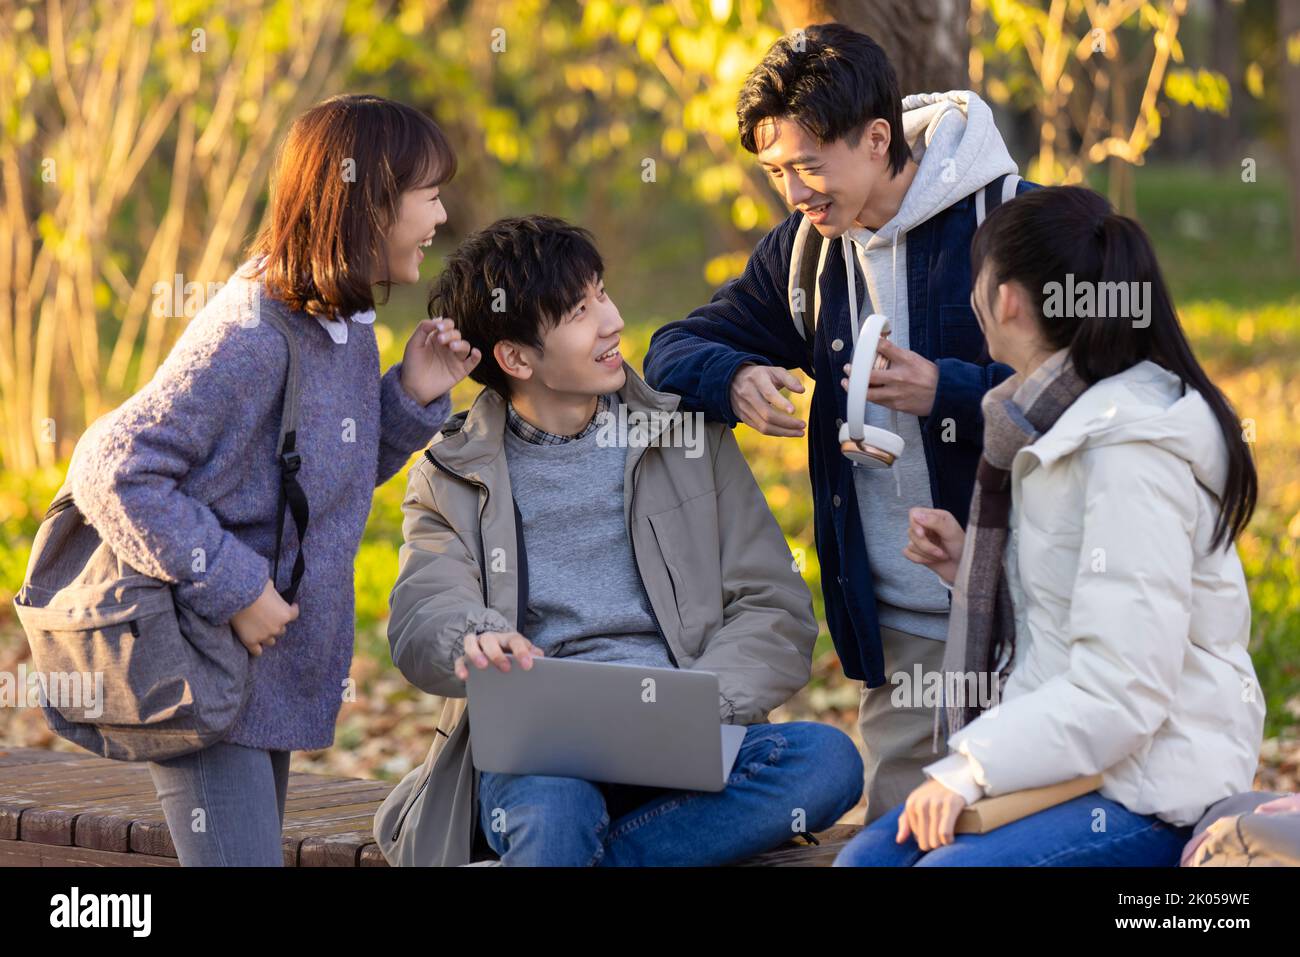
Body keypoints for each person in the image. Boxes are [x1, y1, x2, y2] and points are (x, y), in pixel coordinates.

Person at [374, 214, 864, 867]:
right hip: (544, 747)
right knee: (552, 814)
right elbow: (421, 614)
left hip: (687, 729)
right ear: (517, 358)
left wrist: (705, 700)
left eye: (601, 292)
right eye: (579, 310)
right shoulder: (453, 471)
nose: (611, 320)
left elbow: (773, 606)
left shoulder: (688, 435)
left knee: (826, 761)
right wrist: (470, 634)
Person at [67, 95, 480, 865]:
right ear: (371, 201)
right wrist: (238, 589)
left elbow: (324, 481)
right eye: (427, 194)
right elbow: (112, 464)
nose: (441, 213)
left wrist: (410, 396)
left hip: (265, 680)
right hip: (204, 668)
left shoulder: (342, 324)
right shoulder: (250, 332)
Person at [643, 23, 1037, 821]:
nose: (793, 192)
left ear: (877, 138)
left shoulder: (1014, 226)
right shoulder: (807, 254)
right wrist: (735, 374)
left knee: (1020, 832)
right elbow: (670, 348)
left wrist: (949, 391)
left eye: (808, 166)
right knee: (898, 838)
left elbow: (1107, 387)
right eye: (775, 170)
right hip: (900, 639)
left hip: (1031, 613)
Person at [834, 185, 1264, 866]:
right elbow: (1079, 606)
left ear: (1005, 297)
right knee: (866, 859)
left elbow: (1122, 690)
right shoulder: (1053, 416)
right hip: (1076, 764)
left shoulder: (1130, 448)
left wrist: (970, 768)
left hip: (1151, 787)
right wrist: (974, 565)